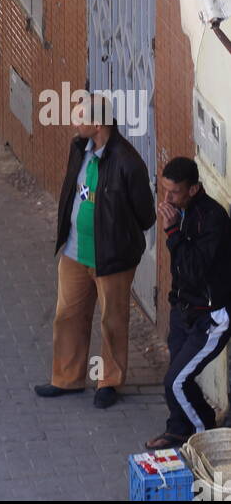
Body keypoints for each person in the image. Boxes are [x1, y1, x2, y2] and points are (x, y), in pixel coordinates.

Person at [34, 91, 156, 409]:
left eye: (80, 117)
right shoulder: (80, 148)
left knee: (112, 321)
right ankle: (66, 379)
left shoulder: (128, 163)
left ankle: (109, 382)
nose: (74, 121)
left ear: (98, 123)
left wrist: (118, 235)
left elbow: (146, 215)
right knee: (68, 316)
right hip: (74, 252)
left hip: (112, 258)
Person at [146, 157, 231, 450]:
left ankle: (203, 445)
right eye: (165, 190)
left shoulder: (212, 218)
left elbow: (194, 270)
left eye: (175, 192)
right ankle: (179, 429)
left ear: (193, 189)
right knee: (177, 376)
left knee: (176, 382)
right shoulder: (181, 212)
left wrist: (172, 233)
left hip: (211, 318)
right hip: (184, 311)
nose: (167, 199)